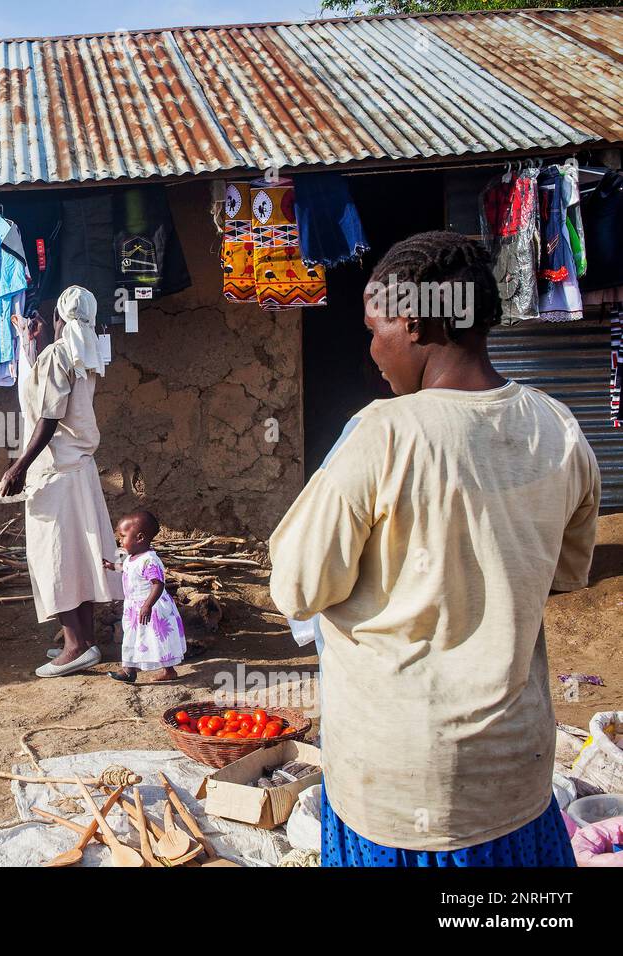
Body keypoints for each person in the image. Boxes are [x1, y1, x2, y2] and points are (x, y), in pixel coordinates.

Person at [269, 231, 599, 866]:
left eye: (375, 329)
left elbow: (297, 586)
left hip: (399, 790)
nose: (371, 352)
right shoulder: (557, 428)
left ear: (414, 322)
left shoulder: (381, 435)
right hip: (514, 776)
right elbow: (561, 572)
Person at [0, 286, 122, 678]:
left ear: (61, 319)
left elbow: (48, 418)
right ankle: (83, 641)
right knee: (77, 557)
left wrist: (18, 466)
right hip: (77, 470)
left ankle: (74, 645)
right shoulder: (82, 355)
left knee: (55, 558)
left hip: (55, 475)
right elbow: (41, 395)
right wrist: (29, 346)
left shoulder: (59, 355)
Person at [104, 510, 185, 684]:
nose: (120, 540)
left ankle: (169, 670)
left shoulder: (149, 560)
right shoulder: (131, 558)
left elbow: (158, 583)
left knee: (157, 640)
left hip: (152, 608)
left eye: (123, 536)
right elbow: (124, 568)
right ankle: (129, 671)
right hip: (134, 608)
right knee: (131, 638)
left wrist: (148, 605)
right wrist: (110, 565)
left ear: (139, 538)